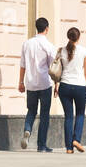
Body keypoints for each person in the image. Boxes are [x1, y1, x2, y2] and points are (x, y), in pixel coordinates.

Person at [18, 17, 57, 153]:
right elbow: (54, 67)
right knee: (44, 114)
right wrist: (57, 84)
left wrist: (20, 82)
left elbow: (22, 65)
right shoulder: (49, 46)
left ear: (36, 28)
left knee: (31, 110)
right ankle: (41, 145)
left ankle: (27, 130)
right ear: (46, 29)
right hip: (45, 83)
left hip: (30, 83)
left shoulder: (27, 44)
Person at [55, 27, 86, 153]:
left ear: (68, 37)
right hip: (79, 86)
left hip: (64, 86)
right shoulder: (84, 51)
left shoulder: (61, 51)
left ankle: (69, 148)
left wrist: (56, 86)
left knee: (68, 117)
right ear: (79, 37)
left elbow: (57, 70)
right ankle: (76, 139)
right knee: (80, 114)